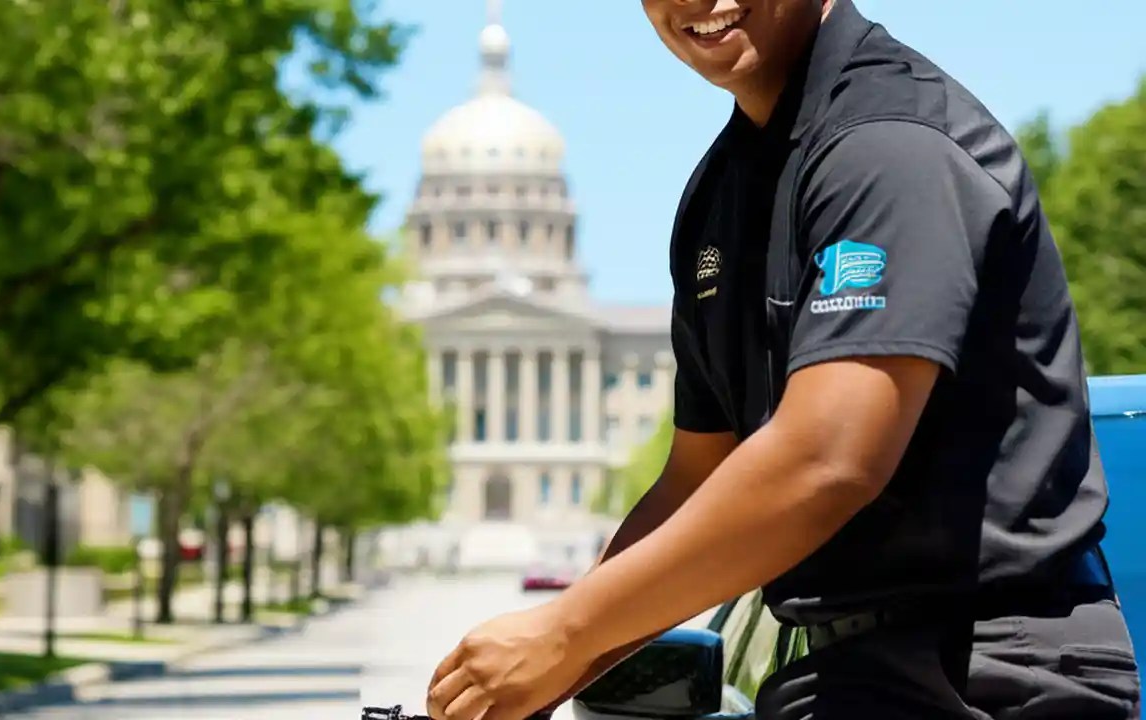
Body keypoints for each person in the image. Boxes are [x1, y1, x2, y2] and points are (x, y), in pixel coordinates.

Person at [425, 1, 1143, 719]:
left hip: (984, 668)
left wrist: (562, 632)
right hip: (847, 672)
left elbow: (827, 461)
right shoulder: (722, 192)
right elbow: (694, 482)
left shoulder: (888, 144)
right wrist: (549, 672)